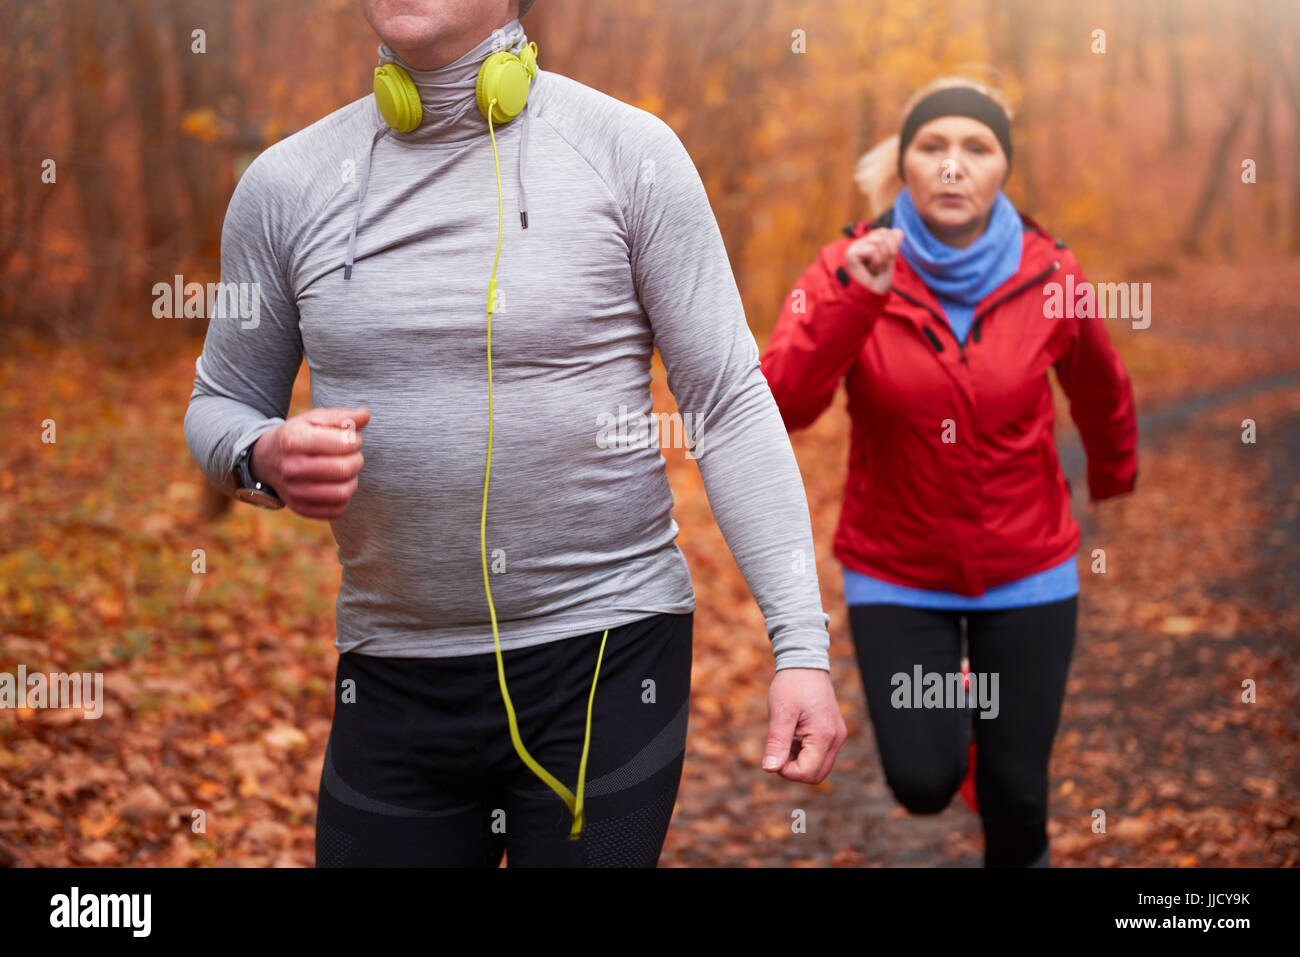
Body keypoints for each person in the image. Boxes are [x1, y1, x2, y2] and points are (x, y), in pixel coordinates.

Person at [184, 0, 846, 867]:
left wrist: (800, 645)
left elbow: (726, 401)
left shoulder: (628, 154)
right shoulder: (285, 185)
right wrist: (262, 455)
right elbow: (219, 403)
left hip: (609, 656)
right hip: (391, 667)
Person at [760, 77, 1138, 867]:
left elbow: (1101, 389)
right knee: (924, 779)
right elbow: (781, 403)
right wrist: (853, 300)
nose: (953, 166)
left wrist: (1114, 476)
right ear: (904, 166)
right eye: (932, 147)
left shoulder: (1052, 275)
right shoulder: (847, 266)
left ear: (1004, 167)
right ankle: (960, 711)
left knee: (1018, 792)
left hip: (1028, 565)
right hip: (898, 570)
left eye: (978, 147)